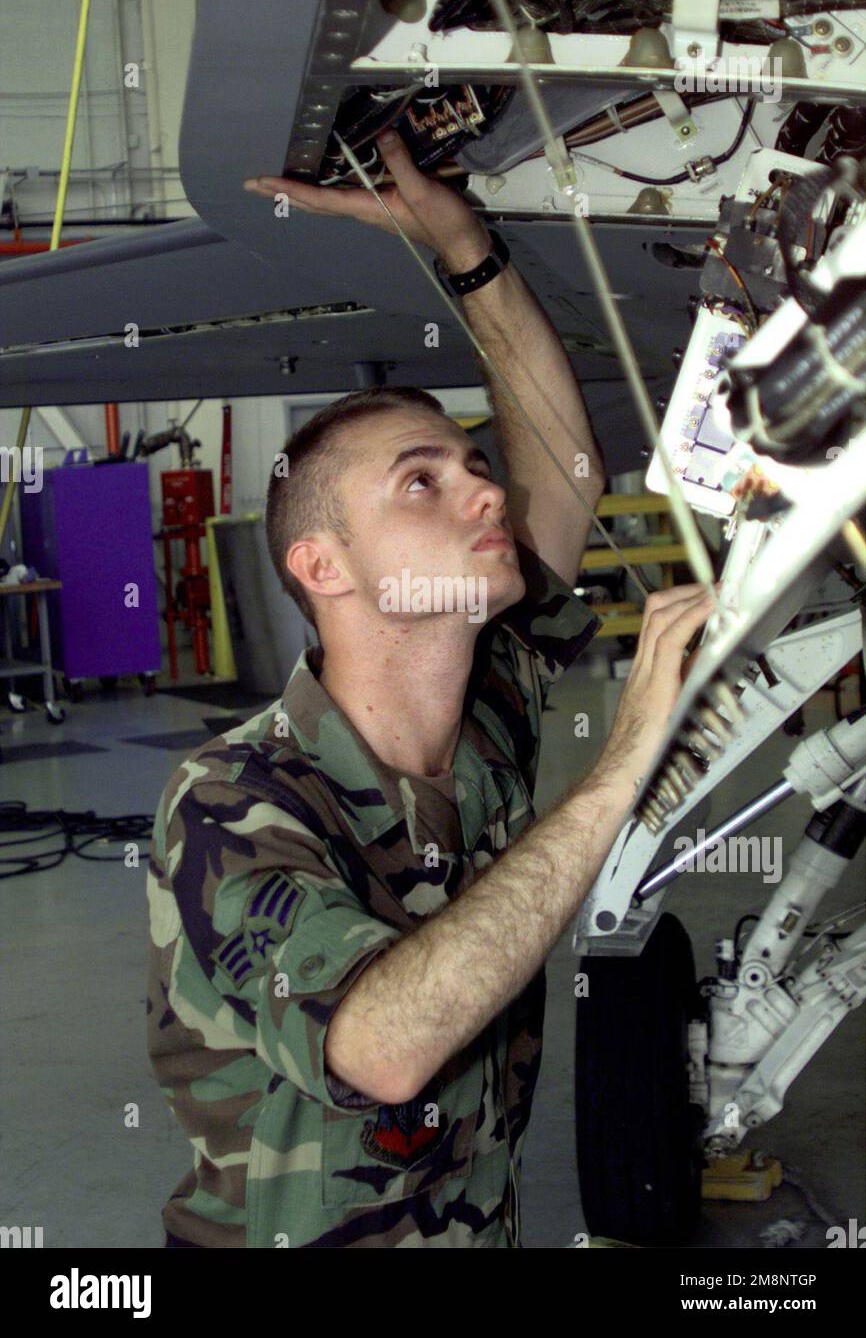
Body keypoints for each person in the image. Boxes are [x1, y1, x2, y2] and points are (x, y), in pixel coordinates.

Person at [146, 130, 714, 1248]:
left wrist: (461, 246)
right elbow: (379, 1044)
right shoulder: (228, 799)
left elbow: (559, 469)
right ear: (324, 567)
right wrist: (621, 768)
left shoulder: (484, 704)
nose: (478, 489)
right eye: (422, 480)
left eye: (469, 465)